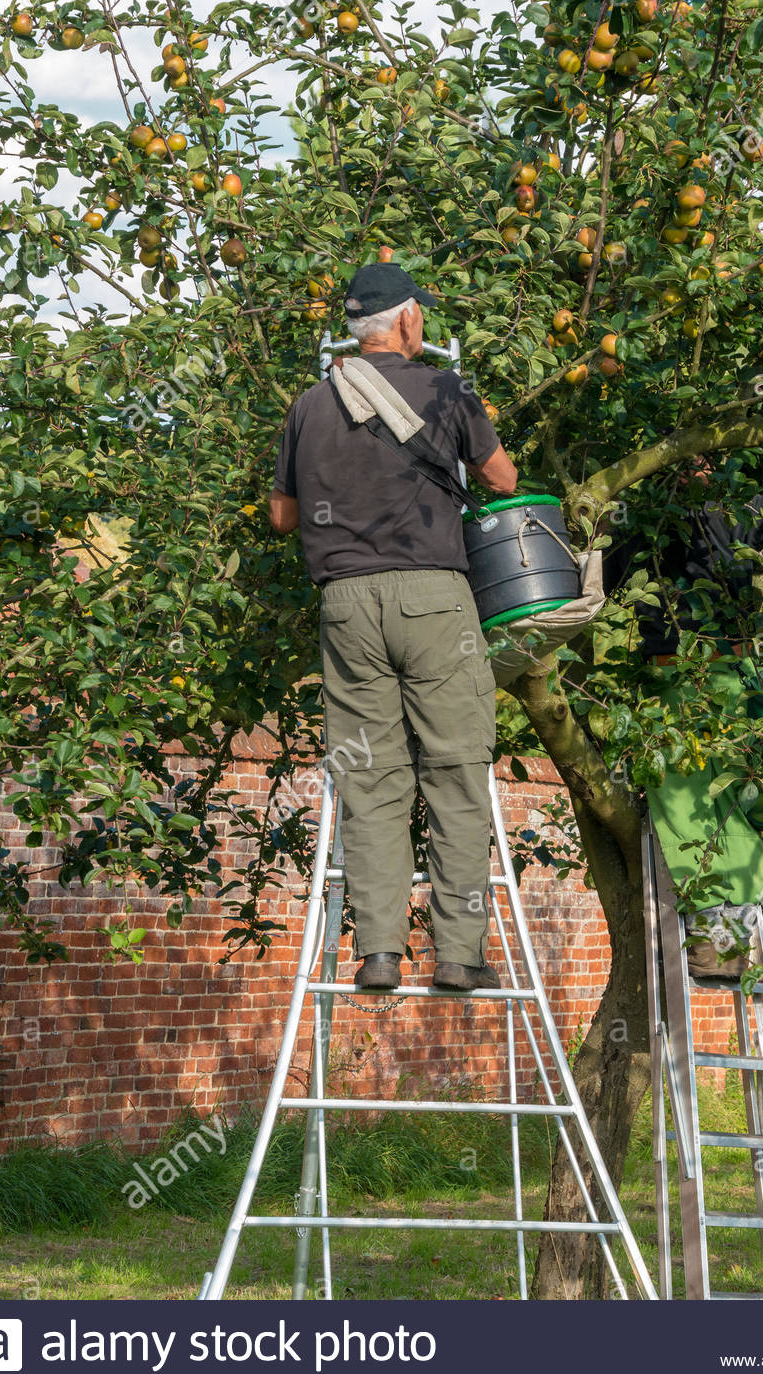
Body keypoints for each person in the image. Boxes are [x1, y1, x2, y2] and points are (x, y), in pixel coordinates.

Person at [269, 263, 517, 991]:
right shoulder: (447, 389)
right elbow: (501, 481)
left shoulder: (310, 405)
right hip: (434, 598)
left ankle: (378, 951)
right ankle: (459, 956)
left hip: (344, 604)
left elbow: (283, 518)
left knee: (370, 779)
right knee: (456, 771)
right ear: (408, 322)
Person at [603, 452, 763, 977]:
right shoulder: (651, 525)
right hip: (679, 681)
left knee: (711, 803)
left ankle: (721, 937)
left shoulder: (732, 515)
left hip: (720, 679)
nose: (695, 471)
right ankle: (720, 940)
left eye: (703, 461)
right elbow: (593, 585)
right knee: (697, 802)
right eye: (687, 462)